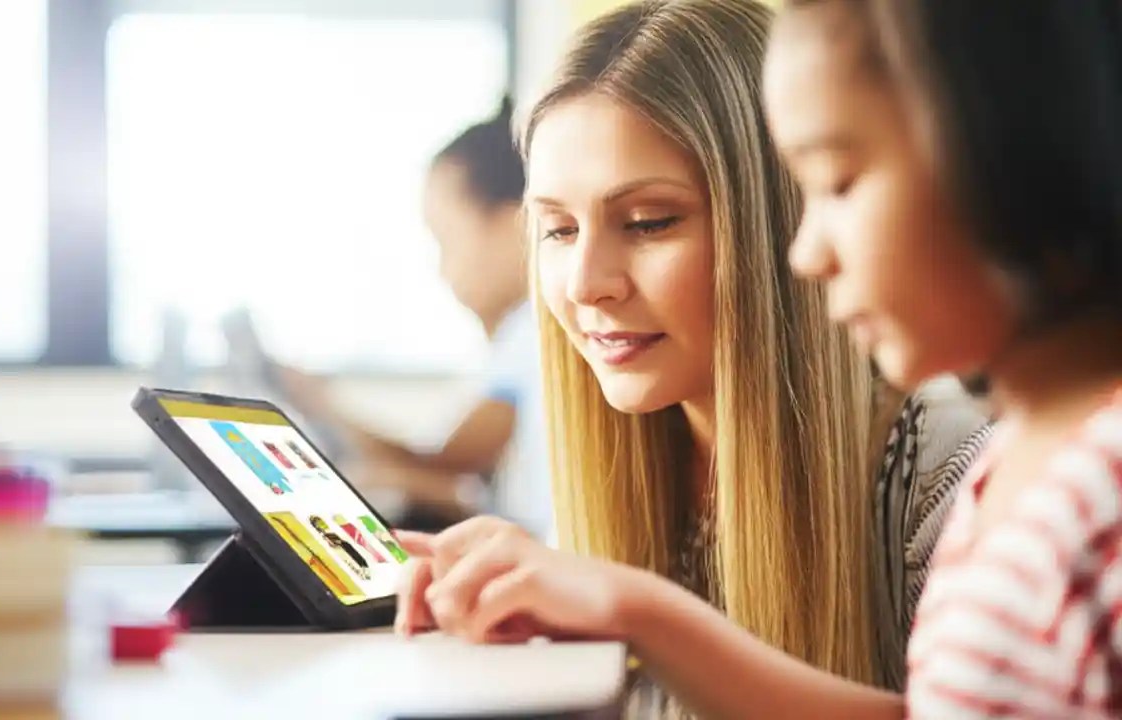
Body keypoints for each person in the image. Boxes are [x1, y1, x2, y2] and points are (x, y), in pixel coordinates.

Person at [397, 0, 1122, 717]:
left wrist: (644, 617)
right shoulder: (611, 465)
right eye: (556, 230)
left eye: (649, 223)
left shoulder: (961, 472)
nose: (587, 283)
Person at [280, 99, 551, 537]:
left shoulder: (531, 328)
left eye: (447, 241)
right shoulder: (519, 332)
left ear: (514, 227)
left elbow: (447, 460)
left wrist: (323, 404)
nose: (444, 271)